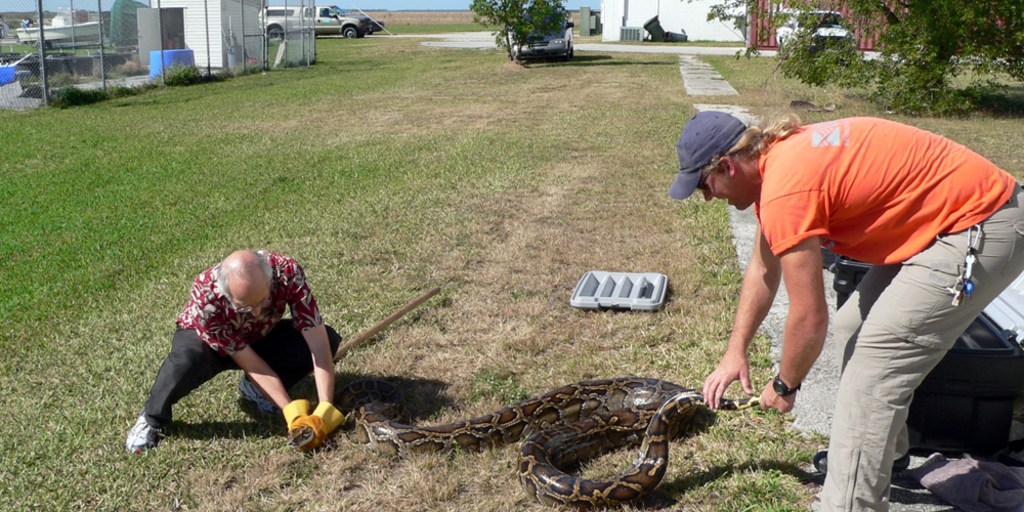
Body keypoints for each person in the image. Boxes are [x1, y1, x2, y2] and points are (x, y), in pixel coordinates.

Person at [669, 111, 1024, 511]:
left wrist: (786, 385)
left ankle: (851, 501)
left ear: (728, 165)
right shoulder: (775, 165)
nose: (708, 197)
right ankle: (884, 455)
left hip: (984, 221)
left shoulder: (785, 187)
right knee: (854, 323)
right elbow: (762, 269)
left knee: (877, 357)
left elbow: (808, 318)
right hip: (945, 219)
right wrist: (736, 351)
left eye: (704, 185)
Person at [126, 249, 345, 453]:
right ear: (225, 293)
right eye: (245, 306)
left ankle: (254, 391)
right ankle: (152, 418)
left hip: (260, 334)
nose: (257, 311)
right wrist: (290, 412)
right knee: (185, 362)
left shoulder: (288, 272)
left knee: (329, 338)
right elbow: (252, 363)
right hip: (207, 342)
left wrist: (326, 405)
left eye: (263, 300)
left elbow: (318, 342)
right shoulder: (206, 297)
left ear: (270, 279)